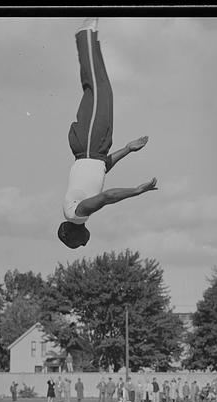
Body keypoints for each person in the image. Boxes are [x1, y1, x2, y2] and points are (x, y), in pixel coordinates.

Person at [57, 17, 158, 249]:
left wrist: (137, 191)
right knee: (104, 90)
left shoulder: (78, 214)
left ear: (72, 235)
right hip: (95, 150)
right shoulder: (77, 209)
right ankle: (92, 40)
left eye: (77, 244)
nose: (83, 244)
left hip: (90, 144)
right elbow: (100, 169)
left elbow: (107, 197)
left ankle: (85, 35)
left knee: (97, 89)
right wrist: (127, 150)